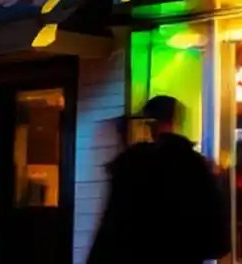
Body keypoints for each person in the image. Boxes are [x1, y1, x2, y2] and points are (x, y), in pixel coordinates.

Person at [87, 95, 229, 264]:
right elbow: (218, 242)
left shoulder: (132, 165)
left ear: (149, 124)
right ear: (178, 122)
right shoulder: (195, 167)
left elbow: (109, 234)